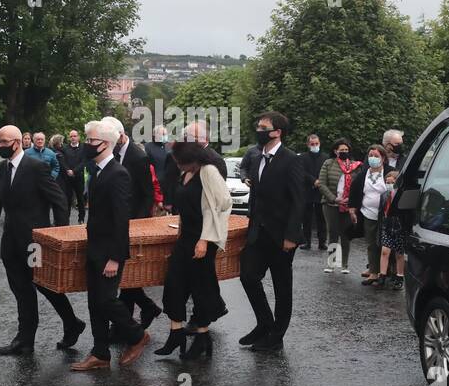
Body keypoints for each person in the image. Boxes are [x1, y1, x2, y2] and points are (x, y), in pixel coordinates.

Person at [0, 124, 85, 356]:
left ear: (17, 142)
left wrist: (60, 234)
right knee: (21, 290)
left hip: (35, 241)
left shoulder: (37, 167)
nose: (0, 146)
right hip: (11, 241)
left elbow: (59, 201)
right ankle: (25, 340)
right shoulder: (3, 169)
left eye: (4, 142)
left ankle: (72, 323)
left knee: (43, 284)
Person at [70, 119, 152, 371]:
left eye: (90, 141)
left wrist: (116, 257)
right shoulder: (98, 171)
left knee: (106, 300)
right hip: (94, 248)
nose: (86, 145)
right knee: (95, 301)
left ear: (105, 144)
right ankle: (100, 353)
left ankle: (137, 336)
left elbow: (121, 220)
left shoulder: (118, 174)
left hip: (109, 252)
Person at [155, 139, 231, 361]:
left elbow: (223, 203)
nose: (177, 165)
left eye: (180, 162)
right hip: (186, 237)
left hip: (202, 239)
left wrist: (205, 240)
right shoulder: (186, 173)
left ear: (192, 159)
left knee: (201, 288)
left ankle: (202, 338)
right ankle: (175, 332)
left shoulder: (208, 172)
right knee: (174, 283)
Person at [239, 111, 305, 351]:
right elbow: (256, 197)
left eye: (263, 126)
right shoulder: (257, 158)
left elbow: (299, 201)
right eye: (258, 125)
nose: (259, 129)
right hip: (258, 232)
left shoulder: (291, 159)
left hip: (281, 236)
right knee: (248, 276)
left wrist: (291, 236)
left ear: (277, 132)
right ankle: (265, 323)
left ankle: (276, 337)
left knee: (281, 286)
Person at [109, 117, 163, 329]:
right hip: (117, 218)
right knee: (125, 274)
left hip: (133, 220)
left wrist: (139, 223)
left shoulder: (138, 157)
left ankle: (125, 322)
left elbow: (147, 194)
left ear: (121, 135)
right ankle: (144, 309)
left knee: (126, 272)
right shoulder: (113, 152)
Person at [349, 144, 390, 284]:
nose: (373, 158)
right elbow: (354, 191)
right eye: (370, 156)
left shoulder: (390, 172)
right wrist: (352, 209)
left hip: (385, 215)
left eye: (376, 156)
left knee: (384, 245)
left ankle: (386, 271)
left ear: (383, 158)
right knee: (371, 244)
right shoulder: (363, 174)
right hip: (367, 213)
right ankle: (373, 271)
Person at [318, 138, 359, 275]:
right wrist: (334, 198)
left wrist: (351, 200)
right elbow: (322, 184)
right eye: (341, 150)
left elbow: (358, 185)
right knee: (333, 233)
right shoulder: (328, 164)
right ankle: (331, 263)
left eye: (346, 150)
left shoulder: (355, 165)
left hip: (348, 205)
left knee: (346, 234)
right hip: (331, 204)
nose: (344, 152)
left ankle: (345, 264)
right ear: (335, 151)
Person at [377, 169, 406, 290]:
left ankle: (400, 276)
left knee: (399, 254)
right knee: (385, 251)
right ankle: (382, 275)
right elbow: (381, 212)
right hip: (387, 226)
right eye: (386, 182)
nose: (389, 185)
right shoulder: (384, 195)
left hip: (399, 227)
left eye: (391, 182)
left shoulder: (402, 195)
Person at [299, 132, 327, 250]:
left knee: (322, 218)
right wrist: (313, 181)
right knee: (307, 218)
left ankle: (322, 242)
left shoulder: (325, 157)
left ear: (319, 143)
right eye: (312, 144)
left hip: (321, 191)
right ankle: (306, 242)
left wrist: (319, 181)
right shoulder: (302, 157)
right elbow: (301, 172)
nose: (315, 145)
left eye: (316, 143)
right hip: (307, 191)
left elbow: (327, 172)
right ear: (308, 144)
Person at [59, 129, 86, 224]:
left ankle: (81, 218)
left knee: (80, 199)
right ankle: (67, 219)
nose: (73, 138)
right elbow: (62, 161)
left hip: (79, 177)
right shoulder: (65, 148)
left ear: (78, 137)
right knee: (67, 199)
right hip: (68, 178)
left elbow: (83, 162)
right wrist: (68, 170)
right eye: (71, 136)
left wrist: (74, 171)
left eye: (75, 136)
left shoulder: (83, 147)